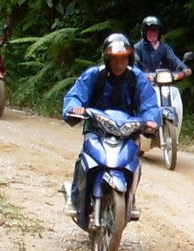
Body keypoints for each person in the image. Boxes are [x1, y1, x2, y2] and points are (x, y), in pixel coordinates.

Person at [63, 33, 162, 219]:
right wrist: (74, 108)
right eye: (114, 59)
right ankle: (75, 198)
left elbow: (149, 104)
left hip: (128, 131)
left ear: (129, 58)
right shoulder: (94, 75)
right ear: (107, 59)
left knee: (134, 161)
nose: (118, 64)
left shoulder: (137, 78)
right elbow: (75, 95)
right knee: (84, 157)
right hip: (97, 129)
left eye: (122, 59)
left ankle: (130, 198)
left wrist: (150, 121)